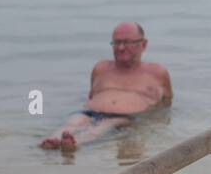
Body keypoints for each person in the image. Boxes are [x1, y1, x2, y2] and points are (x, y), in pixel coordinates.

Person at [39, 22, 172, 150]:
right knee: (74, 121)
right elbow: (91, 95)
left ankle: (76, 142)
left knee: (101, 127)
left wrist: (150, 121)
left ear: (143, 44)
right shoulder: (101, 68)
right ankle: (53, 139)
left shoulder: (158, 73)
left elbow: (166, 104)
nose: (121, 48)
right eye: (117, 42)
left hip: (123, 119)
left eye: (126, 42)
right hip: (89, 112)